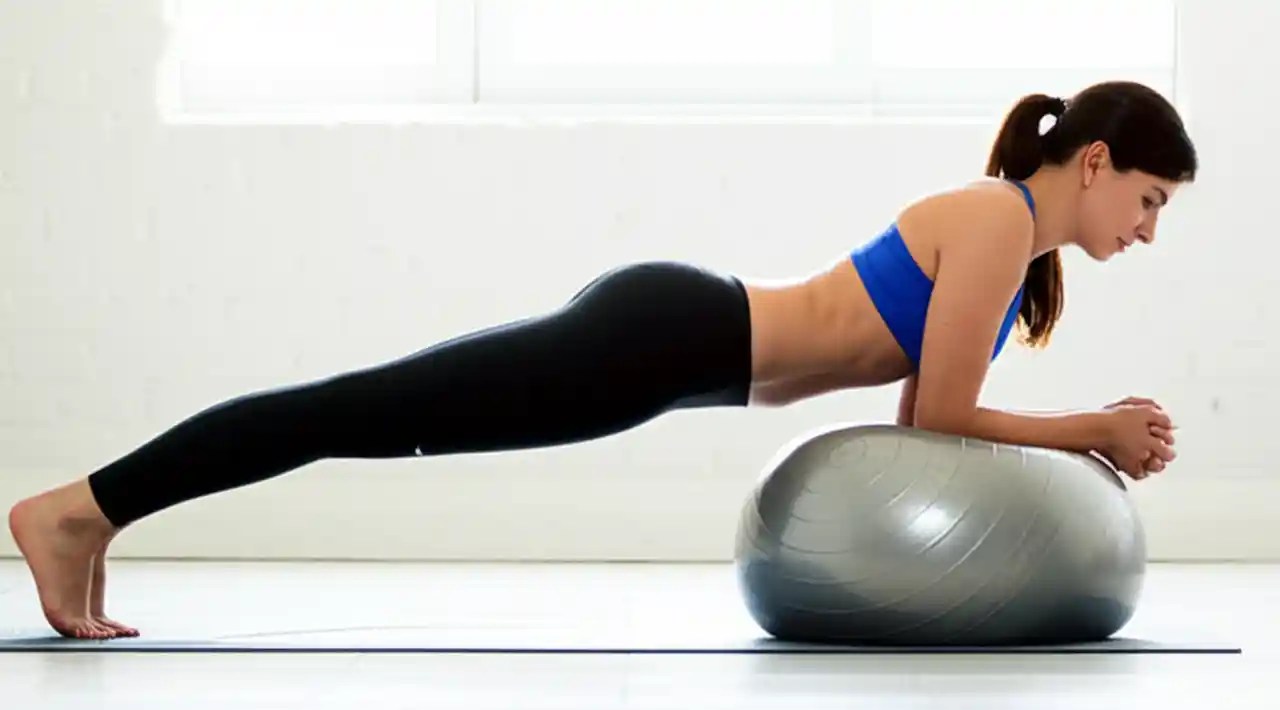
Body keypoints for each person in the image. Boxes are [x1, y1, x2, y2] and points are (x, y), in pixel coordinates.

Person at [8, 80, 1198, 641]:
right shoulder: (996, 220)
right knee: (356, 411)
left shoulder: (1014, 249)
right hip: (664, 336)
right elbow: (939, 416)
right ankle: (77, 512)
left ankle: (95, 517)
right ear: (1089, 162)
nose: (1142, 232)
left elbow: (915, 421)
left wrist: (1082, 427)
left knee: (366, 413)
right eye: (1145, 200)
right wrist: (1088, 430)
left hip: (669, 353)